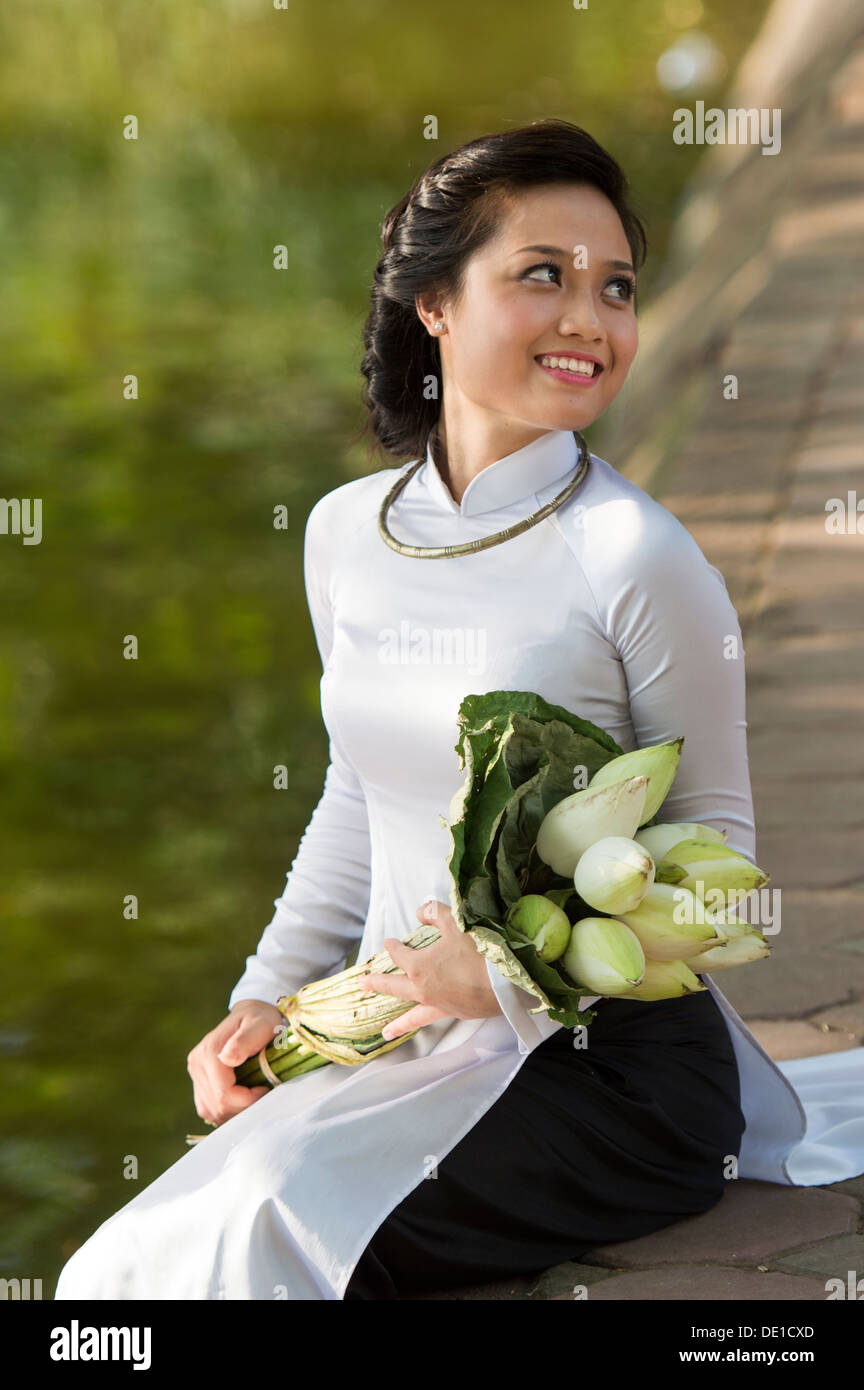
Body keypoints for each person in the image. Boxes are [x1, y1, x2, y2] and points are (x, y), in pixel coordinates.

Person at [55, 118, 864, 1303]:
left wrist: (498, 980)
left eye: (618, 287)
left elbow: (723, 874)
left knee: (274, 1225)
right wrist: (263, 998)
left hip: (611, 1081)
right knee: (115, 1269)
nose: (591, 317)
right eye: (544, 274)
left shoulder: (637, 556)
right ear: (433, 302)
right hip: (395, 1038)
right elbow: (353, 790)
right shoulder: (345, 532)